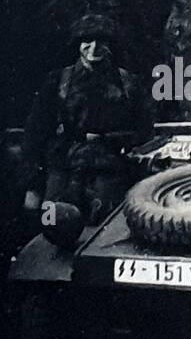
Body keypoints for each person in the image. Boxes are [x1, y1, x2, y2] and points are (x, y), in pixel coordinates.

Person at [20, 15, 154, 225]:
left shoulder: (129, 84)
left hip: (109, 173)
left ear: (110, 46)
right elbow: (35, 134)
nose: (94, 47)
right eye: (87, 41)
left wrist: (107, 139)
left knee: (106, 232)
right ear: (77, 45)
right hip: (62, 172)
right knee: (49, 230)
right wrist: (33, 185)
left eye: (101, 41)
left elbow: (146, 130)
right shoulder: (57, 81)